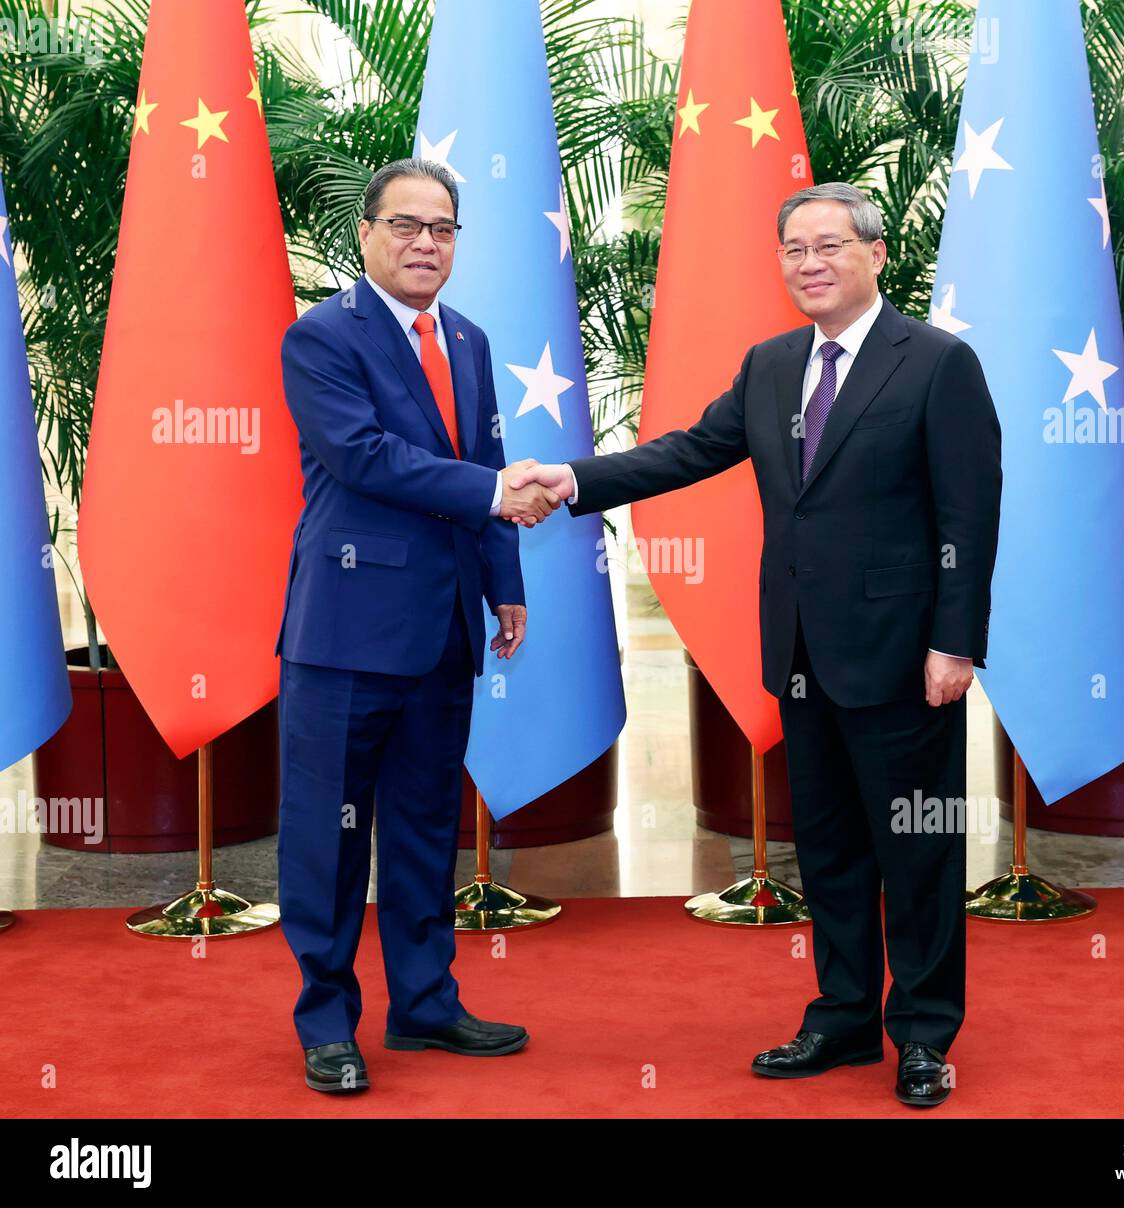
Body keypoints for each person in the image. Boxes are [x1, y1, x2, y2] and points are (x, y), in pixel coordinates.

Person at [511, 182, 1001, 1107]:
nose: (810, 265)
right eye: (794, 251)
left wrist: (955, 643)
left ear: (875, 253)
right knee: (829, 849)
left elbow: (969, 519)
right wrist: (570, 477)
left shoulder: (938, 364)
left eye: (829, 247)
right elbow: (689, 451)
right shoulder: (773, 365)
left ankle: (925, 1034)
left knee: (919, 849)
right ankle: (844, 1017)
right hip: (805, 657)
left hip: (904, 657)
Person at [275, 158, 561, 1094]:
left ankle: (426, 1003)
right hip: (347, 632)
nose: (425, 243)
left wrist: (503, 580)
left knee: (425, 824)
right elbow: (363, 457)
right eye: (405, 225)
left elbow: (485, 456)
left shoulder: (469, 339)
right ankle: (326, 1021)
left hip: (442, 628)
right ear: (365, 235)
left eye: (441, 228)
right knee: (328, 832)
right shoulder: (322, 336)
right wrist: (493, 494)